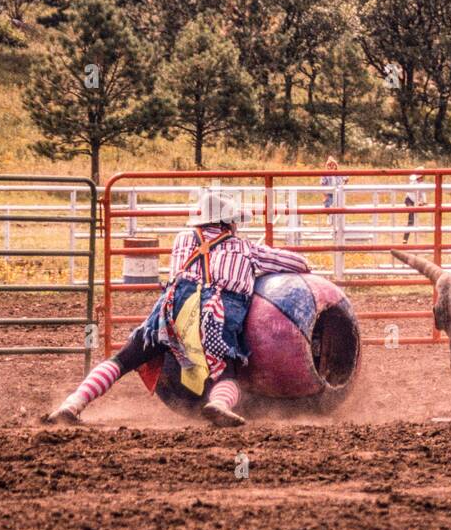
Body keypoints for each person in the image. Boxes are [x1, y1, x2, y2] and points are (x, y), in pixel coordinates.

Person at [47, 188, 311, 428]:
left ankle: (72, 404)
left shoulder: (182, 240)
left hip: (171, 311)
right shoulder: (244, 248)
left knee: (124, 359)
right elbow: (299, 264)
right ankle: (219, 403)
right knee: (224, 369)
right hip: (216, 313)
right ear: (228, 222)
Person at [320, 156, 347, 227]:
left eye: (333, 165)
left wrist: (343, 184)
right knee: (328, 205)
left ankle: (338, 221)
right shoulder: (325, 174)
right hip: (329, 193)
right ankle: (330, 218)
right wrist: (325, 195)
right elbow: (322, 184)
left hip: (338, 192)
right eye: (329, 165)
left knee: (338, 206)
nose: (331, 167)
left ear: (335, 166)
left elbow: (346, 178)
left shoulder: (339, 173)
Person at [403, 171, 424, 243]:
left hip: (414, 202)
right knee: (411, 221)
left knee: (411, 221)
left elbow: (422, 194)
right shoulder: (414, 183)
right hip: (409, 201)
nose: (422, 178)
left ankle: (405, 239)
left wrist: (422, 201)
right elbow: (413, 194)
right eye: (421, 177)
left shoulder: (421, 184)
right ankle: (405, 239)